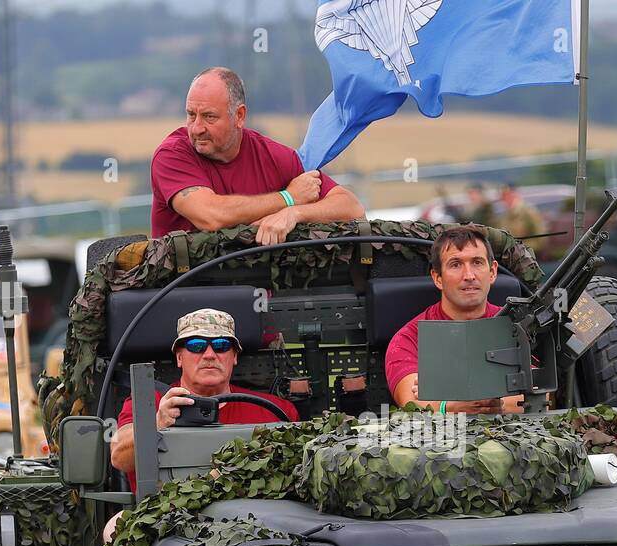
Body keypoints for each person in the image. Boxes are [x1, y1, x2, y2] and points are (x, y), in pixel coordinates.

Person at [150, 67, 365, 244]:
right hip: (185, 291)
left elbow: (351, 208)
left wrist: (294, 213)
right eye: (191, 115)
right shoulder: (171, 155)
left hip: (259, 292)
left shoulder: (273, 156)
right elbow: (211, 216)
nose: (196, 128)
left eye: (209, 117)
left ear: (240, 116)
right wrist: (288, 198)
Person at [109, 308, 299, 492]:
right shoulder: (149, 403)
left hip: (255, 518)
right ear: (179, 357)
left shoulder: (274, 410)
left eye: (221, 345)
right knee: (113, 525)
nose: (209, 355)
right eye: (196, 345)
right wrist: (158, 422)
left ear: (234, 356)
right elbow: (119, 458)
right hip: (166, 518)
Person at [384, 226, 525, 415]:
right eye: (455, 264)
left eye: (477, 262)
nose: (469, 275)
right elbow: (411, 402)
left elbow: (541, 396)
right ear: (438, 278)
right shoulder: (408, 339)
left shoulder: (519, 328)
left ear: (492, 272)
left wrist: (494, 405)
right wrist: (450, 407)